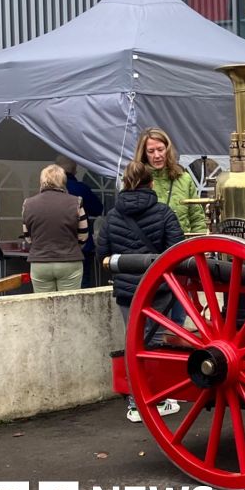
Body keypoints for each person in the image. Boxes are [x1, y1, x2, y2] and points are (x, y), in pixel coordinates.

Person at [97, 161, 185, 423]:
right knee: (155, 343)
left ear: (125, 183)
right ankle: (158, 397)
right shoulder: (164, 212)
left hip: (127, 290)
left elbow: (103, 254)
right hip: (158, 288)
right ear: (151, 183)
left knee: (133, 341)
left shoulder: (113, 216)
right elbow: (177, 250)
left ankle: (136, 402)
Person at [21, 165, 89, 293]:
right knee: (69, 303)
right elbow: (83, 235)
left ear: (42, 180)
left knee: (44, 303)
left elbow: (28, 237)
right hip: (69, 261)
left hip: (40, 262)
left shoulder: (28, 204)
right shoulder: (76, 202)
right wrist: (72, 247)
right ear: (63, 181)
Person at [132, 127, 207, 236]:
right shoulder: (135, 180)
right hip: (148, 245)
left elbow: (197, 219)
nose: (157, 155)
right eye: (151, 151)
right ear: (144, 153)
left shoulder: (184, 179)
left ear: (167, 149)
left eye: (160, 149)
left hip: (182, 244)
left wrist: (199, 244)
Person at [55, 155, 104, 287]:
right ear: (73, 170)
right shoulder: (80, 188)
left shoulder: (45, 193)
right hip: (80, 247)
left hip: (53, 249)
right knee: (82, 287)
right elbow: (98, 209)